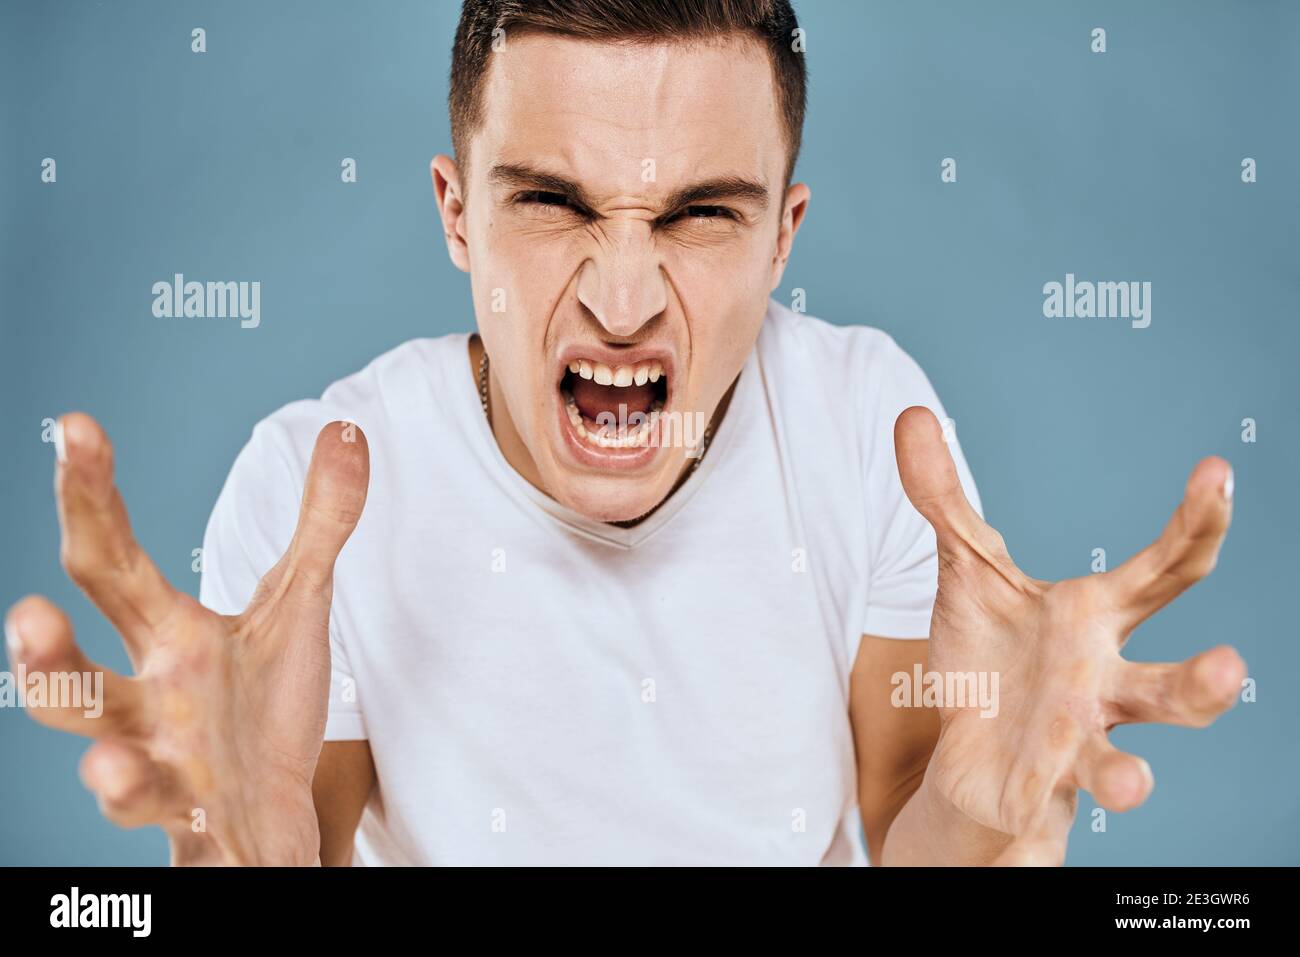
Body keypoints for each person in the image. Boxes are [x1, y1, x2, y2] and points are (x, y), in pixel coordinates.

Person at [5, 0, 1245, 866]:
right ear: (455, 214)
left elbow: (922, 832)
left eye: (702, 215)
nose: (622, 298)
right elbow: (286, 850)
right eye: (552, 201)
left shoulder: (871, 426)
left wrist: (990, 827)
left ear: (783, 239)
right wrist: (234, 862)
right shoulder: (312, 487)